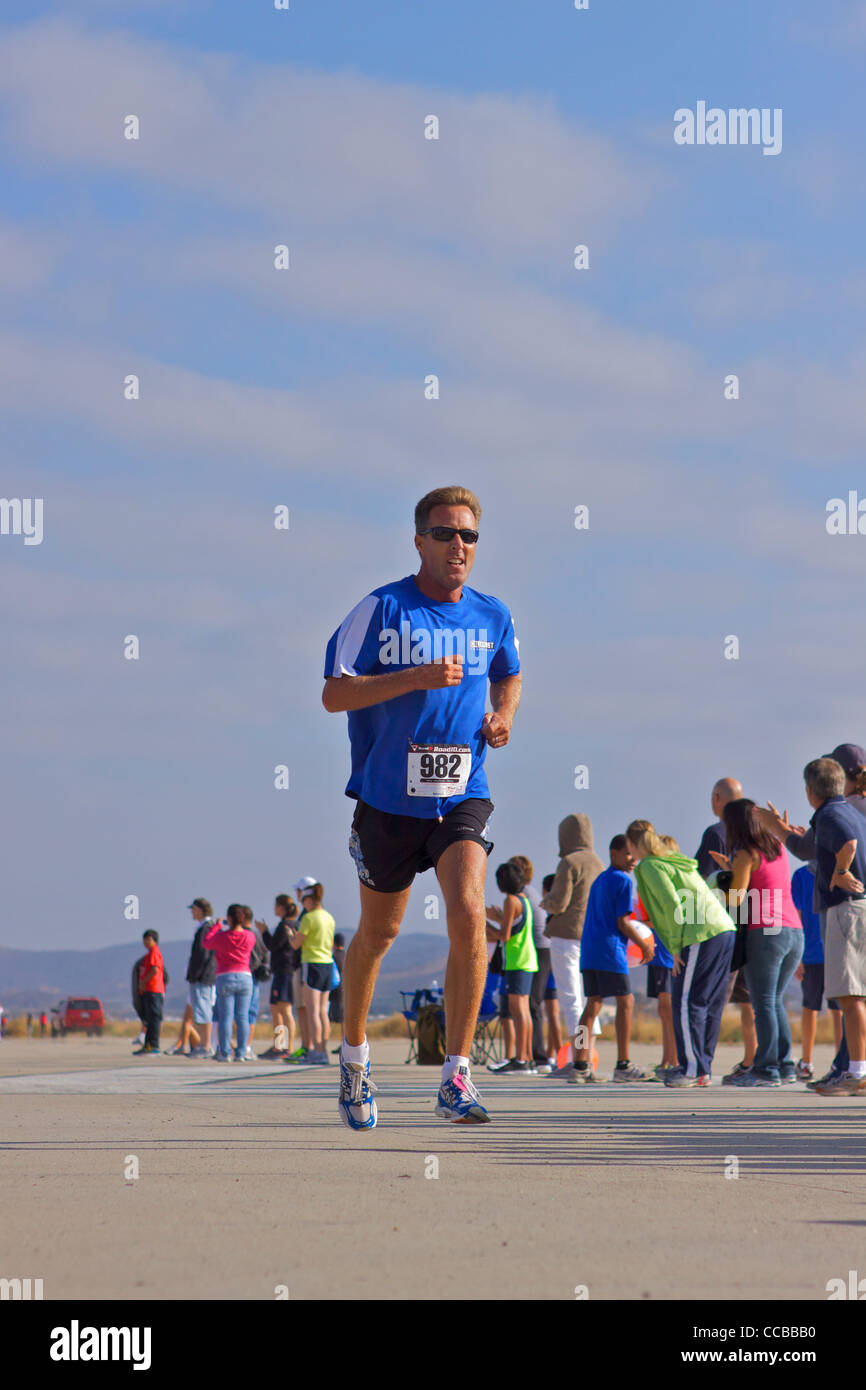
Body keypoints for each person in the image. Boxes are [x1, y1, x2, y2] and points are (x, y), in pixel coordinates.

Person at [322, 485, 521, 1127]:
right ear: (418, 540)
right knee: (379, 933)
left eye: (468, 536)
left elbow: (508, 672)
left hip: (462, 792)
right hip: (387, 798)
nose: (457, 546)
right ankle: (354, 1062)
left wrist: (503, 717)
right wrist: (414, 676)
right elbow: (333, 693)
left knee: (468, 912)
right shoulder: (382, 608)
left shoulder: (492, 615)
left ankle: (456, 1078)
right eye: (444, 534)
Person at [755, 743, 866, 1090]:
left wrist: (840, 871)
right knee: (853, 995)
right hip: (854, 909)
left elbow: (847, 844)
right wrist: (780, 829)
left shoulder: (833, 816)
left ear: (809, 790)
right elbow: (806, 849)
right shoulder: (846, 812)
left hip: (844, 910)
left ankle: (856, 1072)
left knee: (849, 996)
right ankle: (854, 1068)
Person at [628, 820, 736, 1087]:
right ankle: (702, 1069)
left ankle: (689, 1070)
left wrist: (675, 948)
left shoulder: (649, 866)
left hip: (700, 932)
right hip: (722, 928)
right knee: (706, 1002)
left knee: (686, 1001)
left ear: (632, 845)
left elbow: (671, 904)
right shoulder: (675, 861)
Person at [711, 799, 803, 1086]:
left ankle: (766, 1070)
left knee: (762, 1002)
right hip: (793, 932)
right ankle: (785, 1065)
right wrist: (734, 868)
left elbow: (737, 898)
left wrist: (716, 885)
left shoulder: (744, 853)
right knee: (773, 1001)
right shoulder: (777, 848)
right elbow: (762, 880)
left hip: (764, 932)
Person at [571, 835, 654, 1083]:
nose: (633, 860)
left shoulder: (600, 880)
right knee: (626, 1003)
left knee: (593, 1005)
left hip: (589, 951)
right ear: (614, 853)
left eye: (635, 855)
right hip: (609, 951)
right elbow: (623, 922)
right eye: (628, 854)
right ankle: (623, 1064)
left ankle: (579, 1064)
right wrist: (645, 947)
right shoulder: (623, 881)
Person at [695, 777, 756, 1084]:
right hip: (756, 925)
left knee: (714, 997)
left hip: (724, 927)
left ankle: (701, 1063)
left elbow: (702, 881)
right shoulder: (757, 836)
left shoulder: (716, 833)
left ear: (717, 798)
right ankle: (755, 1059)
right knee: (754, 1000)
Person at [541, 813, 604, 1079]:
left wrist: (545, 903)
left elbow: (559, 902)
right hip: (591, 938)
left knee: (570, 1000)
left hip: (566, 936)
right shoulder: (598, 863)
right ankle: (587, 1057)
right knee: (588, 999)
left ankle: (577, 1062)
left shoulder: (569, 862)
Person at [485, 861, 538, 1071]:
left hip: (517, 961)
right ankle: (526, 1057)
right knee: (524, 1011)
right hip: (527, 959)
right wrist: (497, 918)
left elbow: (503, 936)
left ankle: (521, 1059)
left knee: (518, 1011)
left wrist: (484, 924)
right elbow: (514, 927)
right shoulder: (523, 900)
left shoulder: (510, 901)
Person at [792, 863, 842, 1080]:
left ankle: (840, 1062)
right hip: (812, 952)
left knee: (837, 1010)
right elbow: (796, 916)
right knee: (811, 1007)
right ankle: (807, 1062)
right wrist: (797, 955)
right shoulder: (801, 875)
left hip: (834, 951)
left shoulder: (839, 870)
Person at [510, 854, 559, 1070]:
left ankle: (537, 1057)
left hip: (537, 950)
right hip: (542, 949)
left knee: (532, 1004)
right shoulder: (531, 893)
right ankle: (534, 1056)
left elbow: (513, 929)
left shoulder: (522, 895)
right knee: (534, 1004)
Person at [637, 835, 679, 1077]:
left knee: (668, 1007)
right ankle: (667, 1058)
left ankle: (672, 1060)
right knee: (664, 1009)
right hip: (657, 951)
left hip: (666, 950)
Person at [288, 884, 335, 1065]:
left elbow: (296, 944)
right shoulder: (329, 917)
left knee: (312, 1011)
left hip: (312, 964)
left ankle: (317, 1051)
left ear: (309, 899)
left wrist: (291, 935)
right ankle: (323, 1049)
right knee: (323, 1011)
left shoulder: (308, 918)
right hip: (327, 964)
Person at [203, 906, 256, 1062]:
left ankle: (225, 1052)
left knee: (226, 1017)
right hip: (245, 976)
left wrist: (217, 926)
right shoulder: (250, 936)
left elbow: (206, 943)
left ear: (230, 919)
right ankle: (241, 1052)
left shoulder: (222, 936)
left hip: (225, 976)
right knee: (242, 1017)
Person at [257, 894, 298, 1060]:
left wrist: (264, 931)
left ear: (282, 907)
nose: (274, 908)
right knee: (276, 1009)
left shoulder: (285, 926)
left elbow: (273, 945)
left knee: (285, 1009)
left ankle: (287, 1047)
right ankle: (279, 1045)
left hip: (284, 972)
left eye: (276, 905)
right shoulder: (290, 924)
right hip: (282, 971)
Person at [182, 898, 216, 1058]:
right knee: (200, 1011)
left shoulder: (206, 928)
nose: (192, 912)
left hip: (203, 977)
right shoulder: (204, 928)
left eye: (194, 909)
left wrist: (196, 974)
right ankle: (203, 1044)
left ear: (202, 910)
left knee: (204, 1010)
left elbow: (203, 955)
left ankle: (206, 1045)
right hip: (201, 976)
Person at [134, 930, 165, 1055]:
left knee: (154, 1019)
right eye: (145, 939)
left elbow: (155, 969)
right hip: (148, 990)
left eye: (149, 939)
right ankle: (147, 1044)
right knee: (148, 1019)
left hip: (154, 990)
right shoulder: (149, 954)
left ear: (154, 940)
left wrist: (143, 982)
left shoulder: (154, 952)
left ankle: (154, 1045)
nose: (146, 942)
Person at [244, 907, 269, 1058]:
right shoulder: (259, 937)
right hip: (256, 977)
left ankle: (238, 1045)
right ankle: (247, 1045)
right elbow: (266, 956)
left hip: (245, 973)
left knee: (239, 1013)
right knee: (251, 1013)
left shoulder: (245, 935)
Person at [329, 931, 346, 1053]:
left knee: (331, 1019)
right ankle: (345, 1043)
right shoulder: (348, 955)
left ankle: (320, 1044)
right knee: (344, 1020)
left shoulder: (333, 957)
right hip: (347, 991)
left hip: (336, 991)